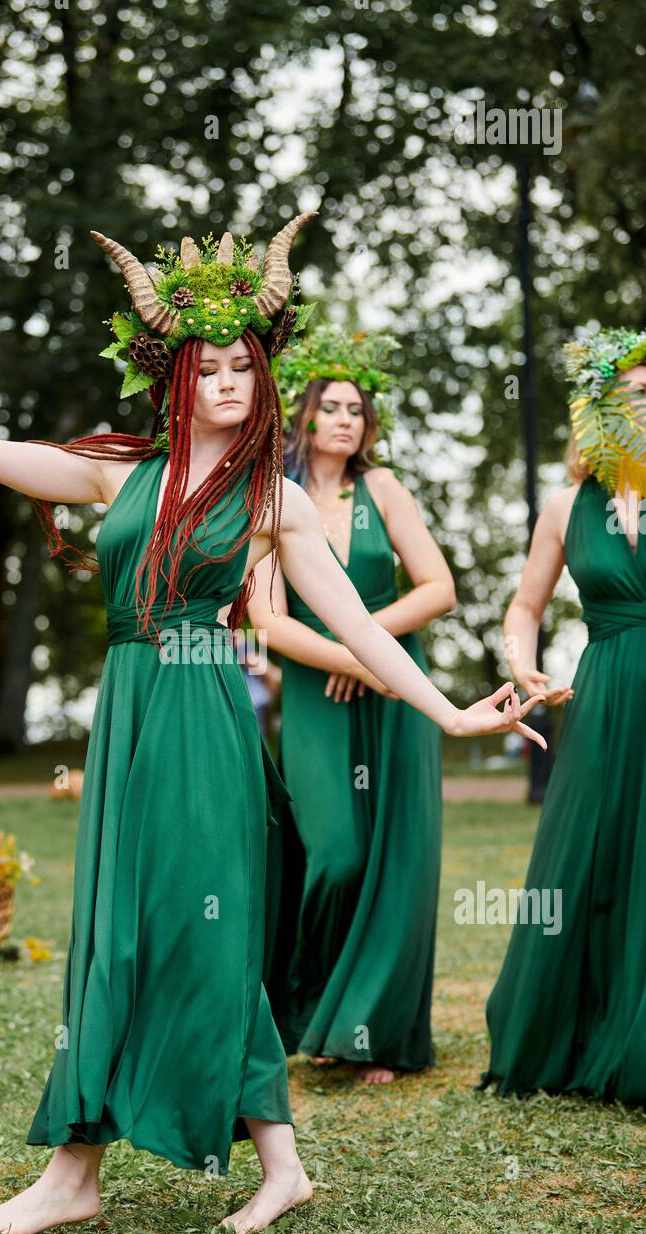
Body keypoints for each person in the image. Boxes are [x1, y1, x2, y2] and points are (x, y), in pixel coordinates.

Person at [0, 213, 546, 1234]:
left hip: (202, 720)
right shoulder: (118, 473)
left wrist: (448, 706)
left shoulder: (272, 500)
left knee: (195, 933)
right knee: (117, 932)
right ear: (174, 375)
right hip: (129, 712)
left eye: (244, 365)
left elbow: (358, 632)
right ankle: (218, 1167)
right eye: (211, 365)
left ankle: (99, 1171)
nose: (230, 381)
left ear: (259, 378)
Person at [250, 329, 453, 1080]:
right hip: (316, 688)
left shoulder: (385, 489)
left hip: (395, 685)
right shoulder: (271, 495)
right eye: (329, 407)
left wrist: (373, 649)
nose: (345, 420)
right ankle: (310, 1009)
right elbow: (267, 620)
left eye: (356, 411)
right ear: (301, 416)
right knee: (335, 852)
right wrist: (347, 656)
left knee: (396, 857)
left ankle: (375, 1032)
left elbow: (438, 588)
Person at [481, 327, 646, 1103]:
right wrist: (522, 663)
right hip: (606, 688)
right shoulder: (565, 504)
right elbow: (525, 605)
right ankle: (574, 1032)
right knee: (590, 854)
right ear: (601, 408)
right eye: (634, 395)